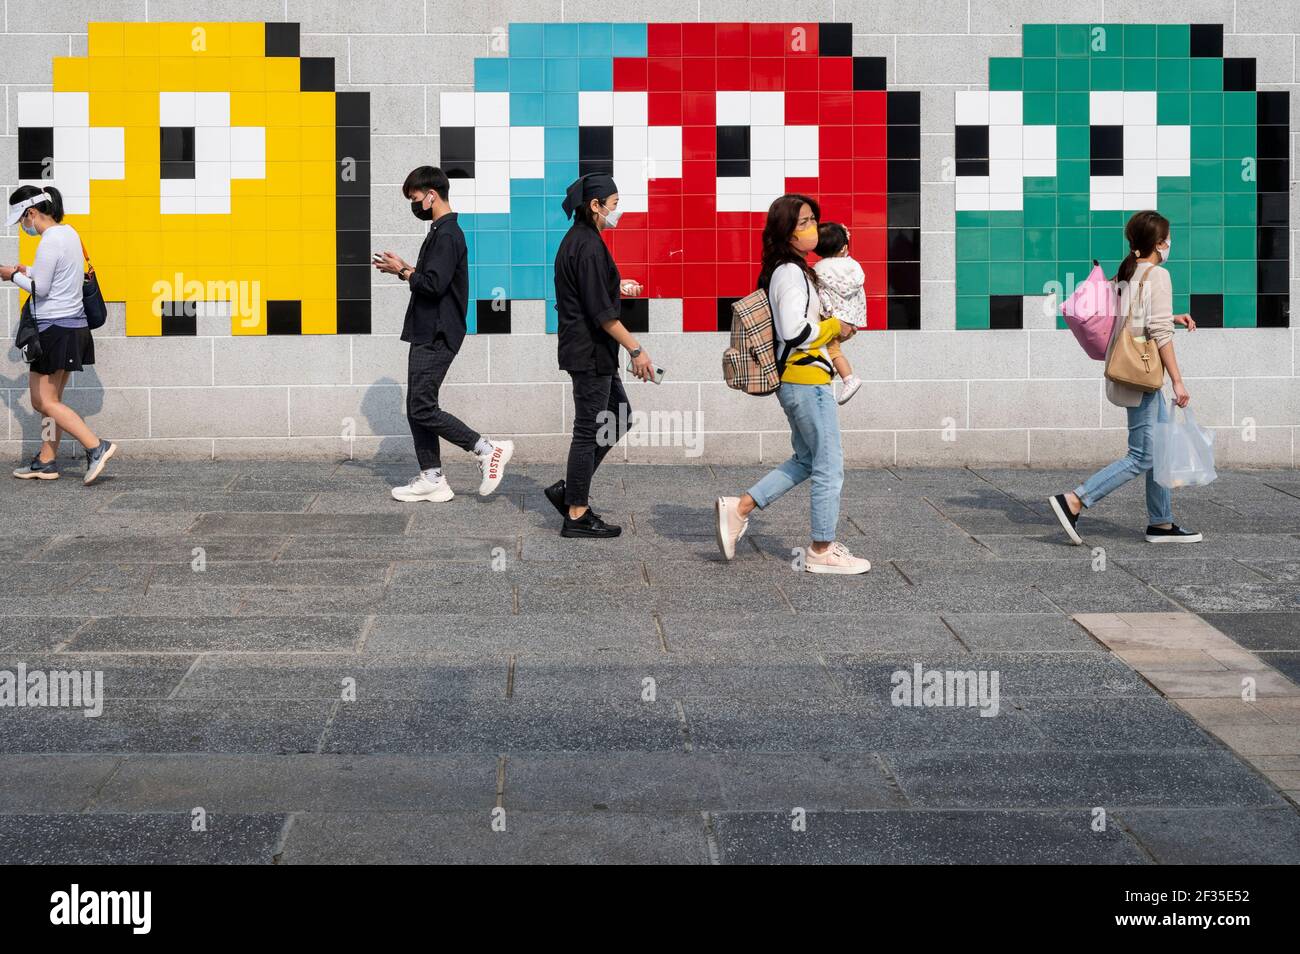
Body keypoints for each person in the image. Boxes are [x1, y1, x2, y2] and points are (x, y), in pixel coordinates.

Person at [714, 194, 869, 574]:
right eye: (802, 222)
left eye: (813, 219)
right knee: (830, 465)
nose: (811, 227)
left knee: (807, 459)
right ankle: (821, 550)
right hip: (807, 381)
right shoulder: (790, 272)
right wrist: (835, 327)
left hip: (804, 379)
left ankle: (741, 507)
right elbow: (794, 330)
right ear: (785, 231)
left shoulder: (795, 270)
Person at [1049, 209, 1201, 545]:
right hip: (1143, 378)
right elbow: (1159, 333)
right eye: (1168, 238)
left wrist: (1172, 316)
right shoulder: (1158, 275)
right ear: (1159, 243)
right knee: (1142, 456)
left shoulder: (1128, 272)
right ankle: (1074, 500)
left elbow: (1136, 319)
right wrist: (1178, 380)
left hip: (1128, 373)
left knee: (1158, 450)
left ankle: (1160, 523)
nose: (1170, 243)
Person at [374, 166, 512, 503]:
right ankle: (432, 478)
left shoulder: (449, 234)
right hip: (427, 330)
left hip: (437, 332)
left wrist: (403, 270)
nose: (415, 204)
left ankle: (486, 449)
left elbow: (434, 286)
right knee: (417, 405)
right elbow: (434, 279)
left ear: (432, 194)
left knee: (421, 407)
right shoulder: (441, 231)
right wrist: (408, 268)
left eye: (415, 198)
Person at [547, 173, 653, 539]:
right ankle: (576, 513)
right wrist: (636, 349)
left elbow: (590, 291)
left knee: (619, 417)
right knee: (587, 431)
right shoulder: (588, 245)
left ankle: (570, 490)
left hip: (593, 351)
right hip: (589, 352)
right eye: (614, 205)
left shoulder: (581, 241)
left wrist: (615, 285)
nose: (616, 213)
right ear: (595, 206)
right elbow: (602, 315)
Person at [3, 185, 116, 484]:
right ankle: (46, 460)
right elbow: (60, 276)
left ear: (31, 213)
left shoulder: (50, 241)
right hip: (74, 328)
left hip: (55, 329)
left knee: (44, 402)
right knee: (52, 399)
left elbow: (41, 289)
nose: (22, 227)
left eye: (21, 221)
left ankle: (96, 446)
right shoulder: (70, 234)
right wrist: (27, 270)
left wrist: (11, 275)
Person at [812, 221, 865, 405]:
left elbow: (822, 296)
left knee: (832, 350)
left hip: (834, 321)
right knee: (829, 350)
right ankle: (832, 368)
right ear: (844, 247)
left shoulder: (819, 270)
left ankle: (849, 378)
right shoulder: (853, 267)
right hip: (851, 322)